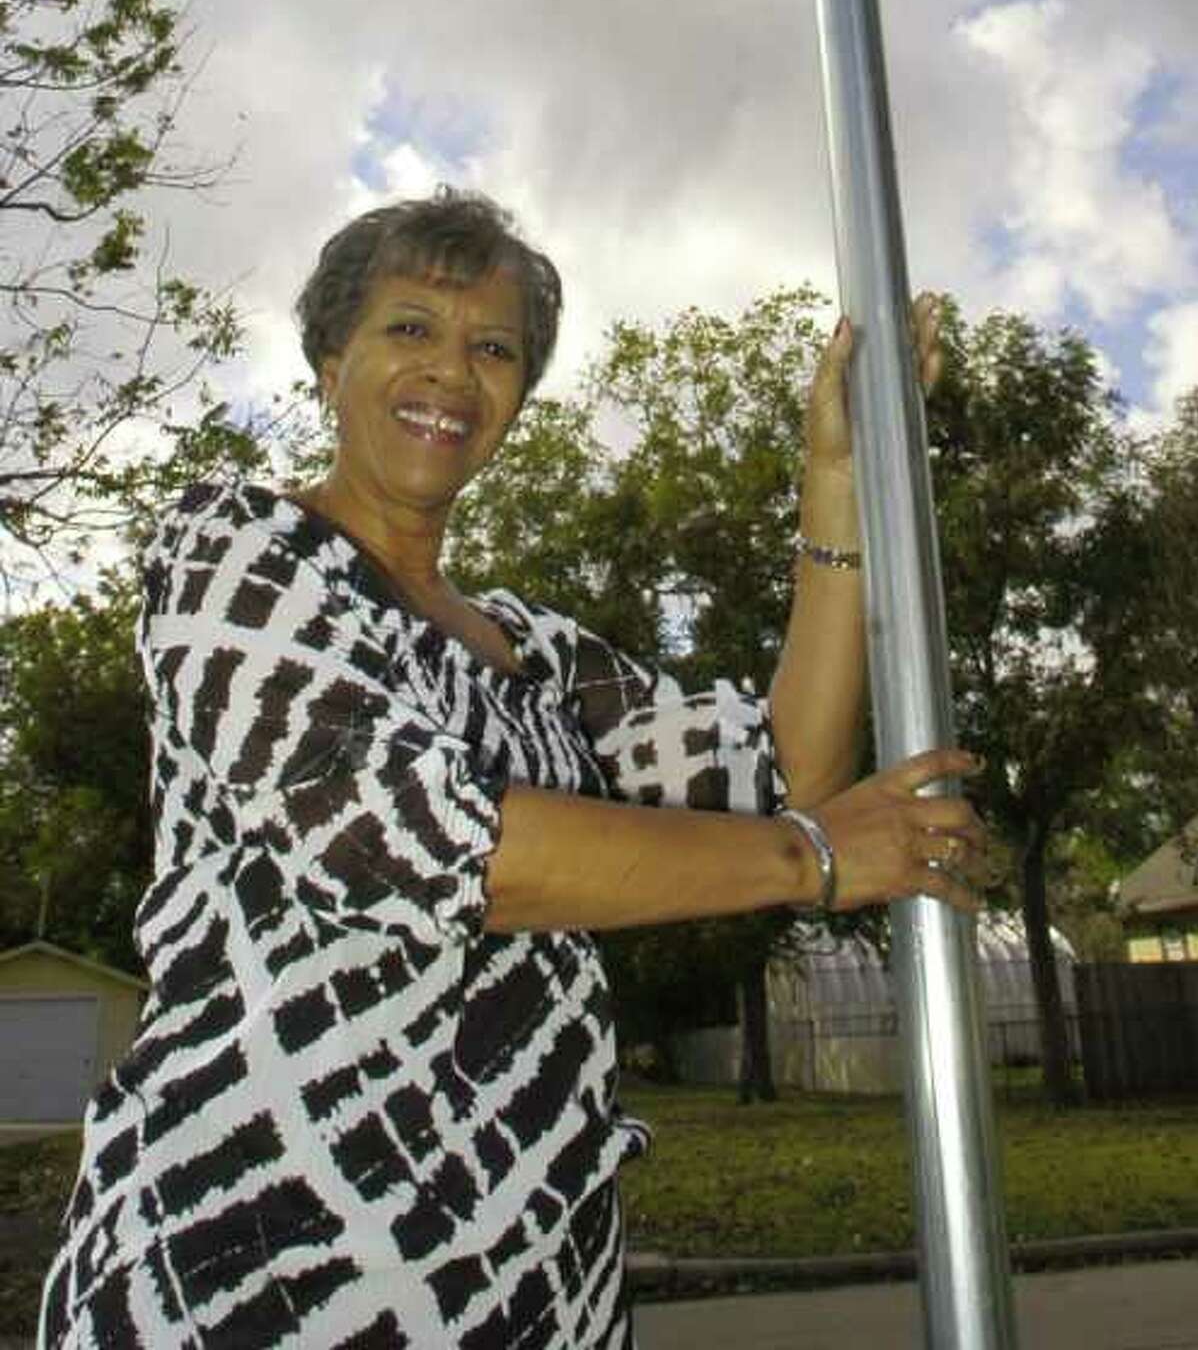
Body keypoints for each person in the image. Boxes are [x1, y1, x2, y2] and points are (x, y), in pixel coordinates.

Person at [39, 187, 987, 1350]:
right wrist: (819, 859)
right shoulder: (238, 554)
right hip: (258, 1267)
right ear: (331, 357)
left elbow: (783, 763)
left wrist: (835, 481)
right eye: (408, 328)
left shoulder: (538, 654)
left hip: (529, 1278)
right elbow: (418, 833)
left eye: (493, 347)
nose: (451, 370)